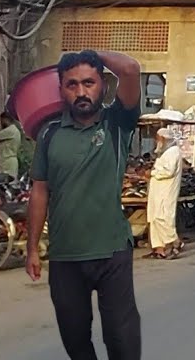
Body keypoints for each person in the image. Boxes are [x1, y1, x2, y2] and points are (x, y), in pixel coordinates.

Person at [27, 49, 143, 360]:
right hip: (65, 255)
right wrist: (32, 247)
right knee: (75, 340)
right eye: (72, 84)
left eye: (89, 82)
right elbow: (40, 190)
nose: (81, 92)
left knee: (122, 339)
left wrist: (93, 54)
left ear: (103, 85)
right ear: (61, 89)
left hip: (112, 251)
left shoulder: (117, 123)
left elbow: (131, 69)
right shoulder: (49, 133)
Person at [145, 128, 184, 260]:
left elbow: (168, 172)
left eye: (159, 138)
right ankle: (159, 249)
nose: (157, 141)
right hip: (157, 191)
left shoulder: (174, 152)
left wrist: (152, 173)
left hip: (166, 191)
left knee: (163, 219)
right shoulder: (165, 152)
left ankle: (175, 242)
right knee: (154, 218)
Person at [0, 111, 23, 177]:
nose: (1, 122)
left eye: (1, 120)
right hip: (3, 162)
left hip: (7, 163)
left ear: (6, 119)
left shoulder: (11, 130)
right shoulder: (9, 132)